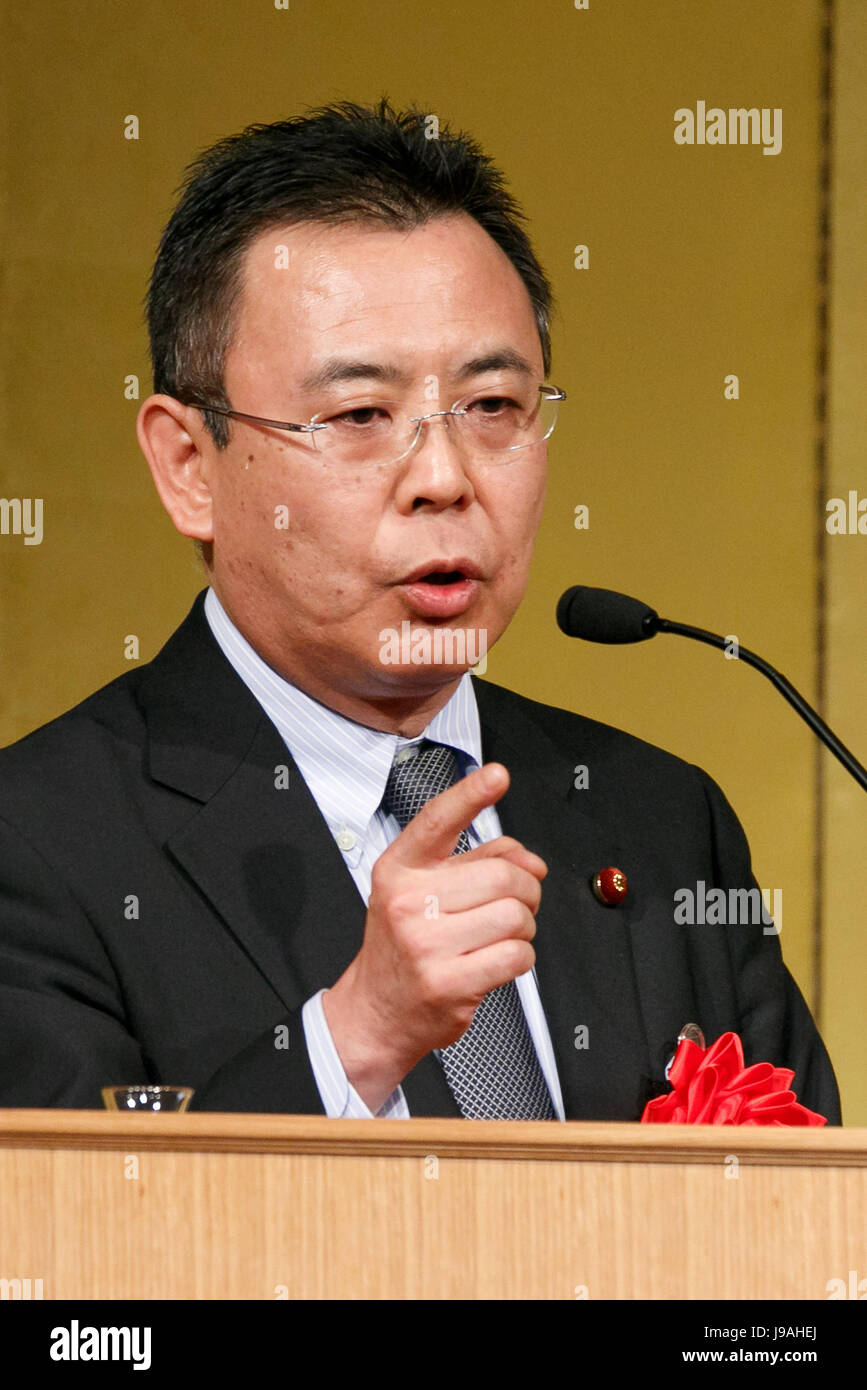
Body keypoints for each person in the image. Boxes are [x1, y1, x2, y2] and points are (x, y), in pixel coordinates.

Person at [0, 99, 840, 1123]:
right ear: (189, 465)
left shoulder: (664, 822)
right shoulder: (38, 845)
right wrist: (356, 1039)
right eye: (360, 415)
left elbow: (806, 1234)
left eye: (492, 407)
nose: (443, 476)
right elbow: (65, 1252)